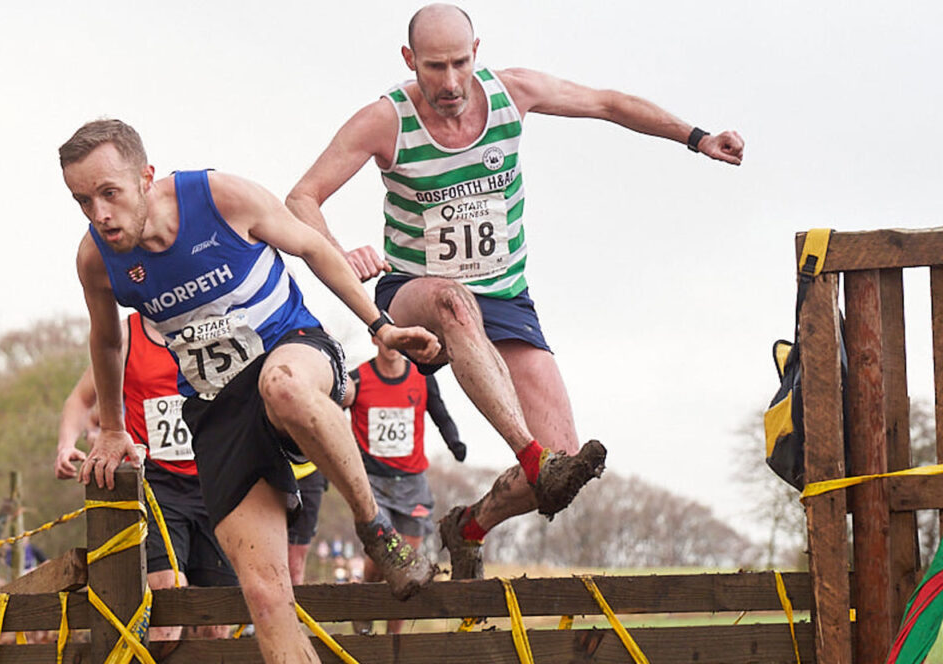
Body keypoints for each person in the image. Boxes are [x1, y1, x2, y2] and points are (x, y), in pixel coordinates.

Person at [285, 3, 744, 580]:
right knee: (456, 303)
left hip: (504, 296)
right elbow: (302, 198)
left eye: (459, 63)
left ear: (477, 51)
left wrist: (696, 137)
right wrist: (342, 255)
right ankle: (531, 455)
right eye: (434, 68)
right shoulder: (386, 120)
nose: (450, 83)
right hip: (416, 294)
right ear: (409, 61)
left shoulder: (513, 93)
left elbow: (607, 103)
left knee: (566, 467)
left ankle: (470, 525)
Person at [62, 118, 439, 664]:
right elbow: (107, 338)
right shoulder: (97, 259)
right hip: (218, 409)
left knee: (279, 385)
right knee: (264, 597)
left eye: (109, 194)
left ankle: (375, 527)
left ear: (146, 177)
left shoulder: (218, 197)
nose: (99, 215)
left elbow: (311, 245)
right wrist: (113, 428)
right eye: (82, 201)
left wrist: (379, 326)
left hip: (296, 354)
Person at [56, 311, 236, 642]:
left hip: (216, 479)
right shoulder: (125, 334)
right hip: (157, 485)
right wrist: (66, 445)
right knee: (166, 603)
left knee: (217, 622)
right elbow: (82, 399)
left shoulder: (219, 320)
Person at [343, 335, 465, 634]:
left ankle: (394, 640)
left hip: (412, 484)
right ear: (375, 337)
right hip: (373, 481)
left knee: (406, 566)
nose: (394, 344)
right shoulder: (357, 379)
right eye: (388, 336)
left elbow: (440, 414)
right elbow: (331, 418)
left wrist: (454, 442)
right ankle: (364, 610)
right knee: (381, 557)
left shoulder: (420, 377)